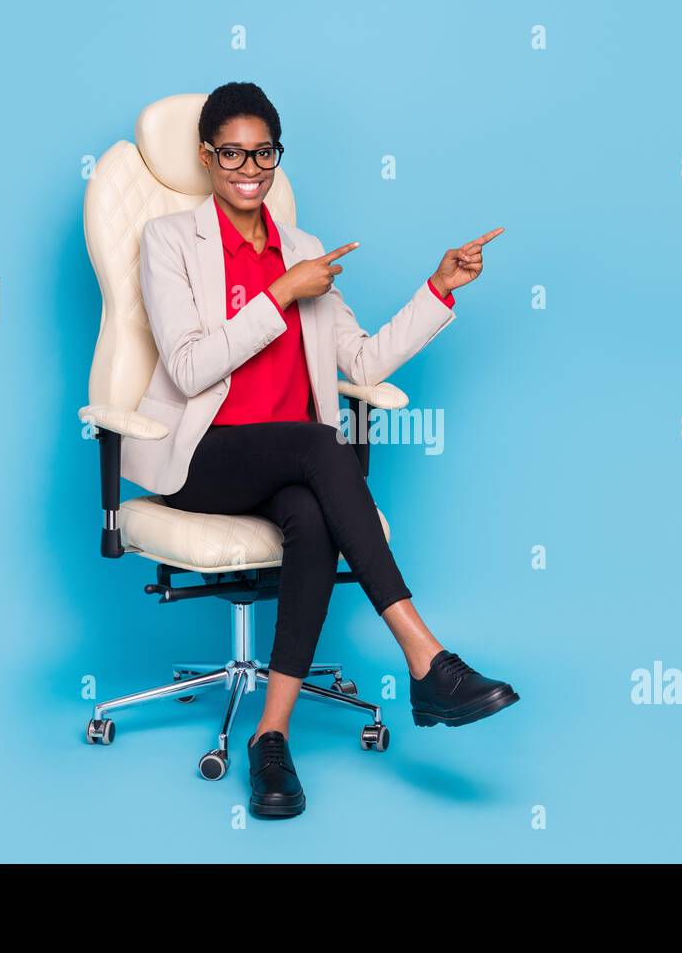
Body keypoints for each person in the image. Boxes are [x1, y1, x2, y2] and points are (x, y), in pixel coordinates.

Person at [136, 81, 518, 819]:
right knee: (319, 444)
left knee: (313, 516)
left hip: (293, 462)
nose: (249, 167)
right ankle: (426, 658)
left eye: (264, 152)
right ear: (207, 157)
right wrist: (278, 295)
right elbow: (187, 367)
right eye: (231, 154)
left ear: (278, 155)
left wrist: (437, 289)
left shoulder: (304, 249)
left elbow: (363, 362)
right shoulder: (169, 241)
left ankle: (269, 738)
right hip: (203, 458)